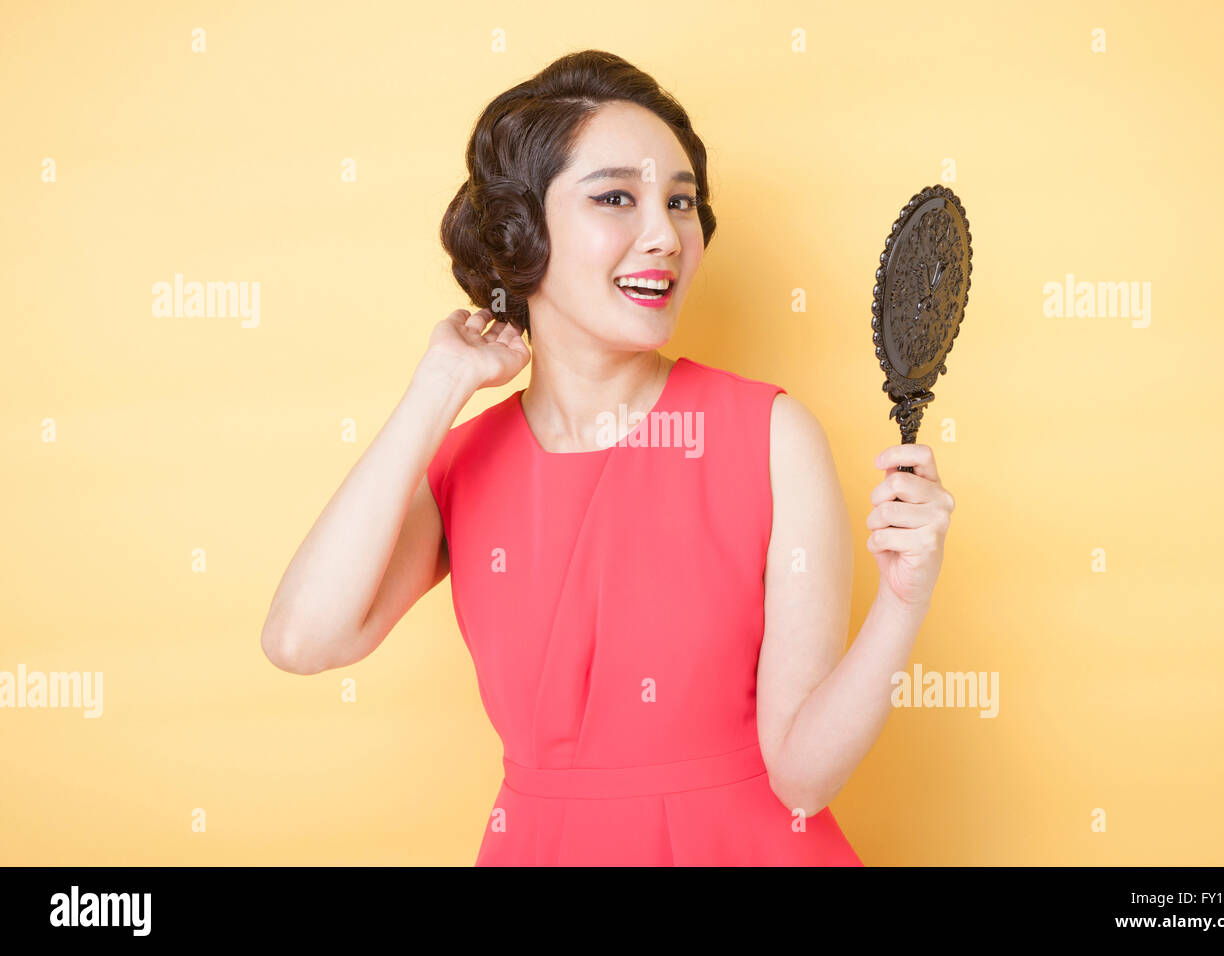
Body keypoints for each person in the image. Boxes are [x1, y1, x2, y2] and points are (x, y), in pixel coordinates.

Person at [260, 49, 955, 866]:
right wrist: (436, 388)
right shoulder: (465, 462)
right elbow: (302, 640)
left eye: (682, 203)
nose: (664, 235)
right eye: (616, 197)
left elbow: (801, 780)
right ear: (523, 234)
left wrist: (903, 603)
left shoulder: (769, 434)